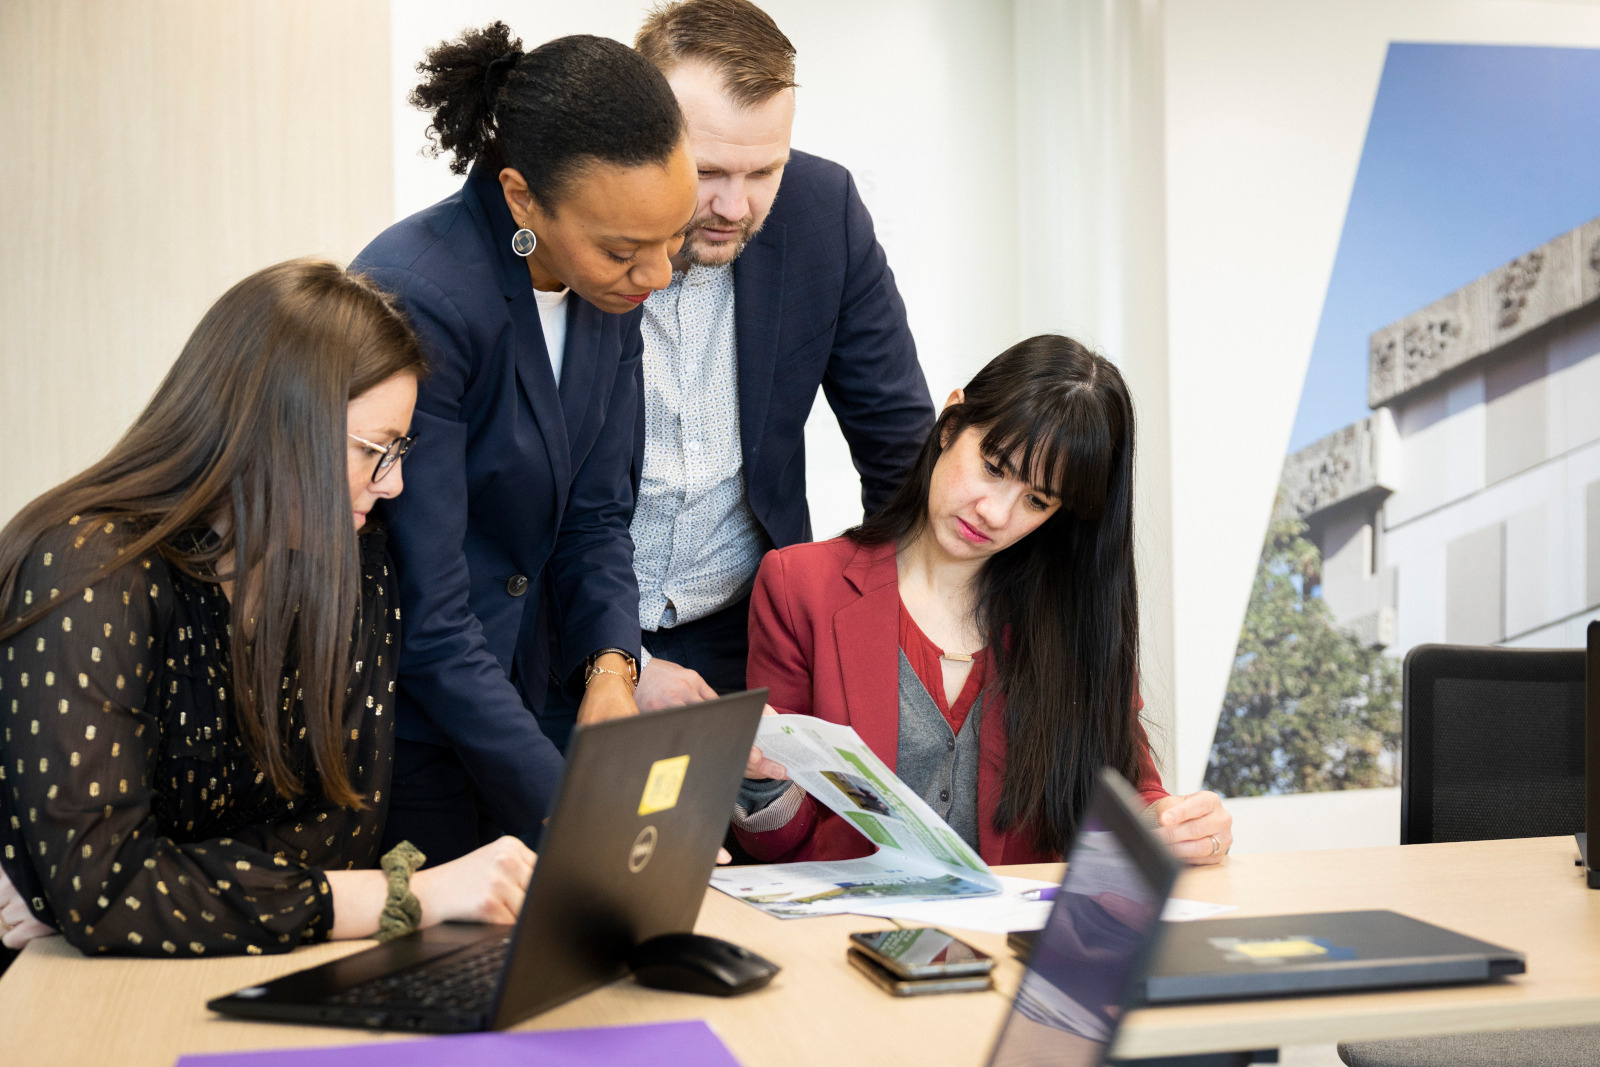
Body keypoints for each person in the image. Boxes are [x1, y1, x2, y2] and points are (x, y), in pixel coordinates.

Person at [0, 259, 534, 960]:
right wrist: (413, 895)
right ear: (276, 428)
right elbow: (112, 895)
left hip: (227, 958)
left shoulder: (351, 557)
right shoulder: (92, 570)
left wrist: (148, 889)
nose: (395, 482)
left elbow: (341, 831)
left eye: (400, 450)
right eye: (375, 450)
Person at [350, 24, 698, 866]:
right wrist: (579, 815)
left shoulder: (602, 293)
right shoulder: (422, 293)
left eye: (674, 239)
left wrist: (611, 671)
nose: (656, 275)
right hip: (412, 727)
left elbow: (596, 515)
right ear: (520, 198)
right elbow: (431, 616)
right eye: (624, 249)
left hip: (529, 691)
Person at [733, 335, 1233, 865]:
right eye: (994, 467)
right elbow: (775, 844)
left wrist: (1172, 826)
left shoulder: (1075, 621)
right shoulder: (800, 586)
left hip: (1015, 940)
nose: (994, 513)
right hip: (850, 932)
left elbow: (1130, 794)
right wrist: (759, 780)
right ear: (950, 425)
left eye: (1036, 500)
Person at [623, 0, 935, 710]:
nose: (735, 206)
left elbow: (899, 447)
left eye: (764, 171)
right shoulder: (584, 218)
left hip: (746, 620)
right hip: (570, 628)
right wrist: (617, 660)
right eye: (707, 171)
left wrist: (894, 640)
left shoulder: (825, 213)